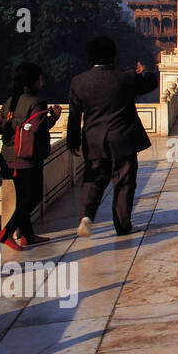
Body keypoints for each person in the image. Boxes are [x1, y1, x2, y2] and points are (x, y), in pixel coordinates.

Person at [66, 37, 158, 237]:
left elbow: (74, 115)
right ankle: (123, 225)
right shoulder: (126, 78)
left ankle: (86, 216)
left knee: (93, 180)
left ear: (90, 57)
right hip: (123, 138)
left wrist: (72, 140)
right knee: (124, 182)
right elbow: (151, 84)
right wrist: (145, 70)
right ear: (113, 54)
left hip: (94, 140)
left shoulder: (78, 82)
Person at [0, 63, 61, 250]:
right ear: (33, 81)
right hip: (28, 158)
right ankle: (6, 232)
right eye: (39, 78)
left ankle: (27, 236)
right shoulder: (37, 102)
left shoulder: (10, 102)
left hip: (9, 157)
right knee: (33, 197)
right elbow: (38, 129)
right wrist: (53, 117)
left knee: (23, 198)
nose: (42, 81)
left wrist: (14, 126)